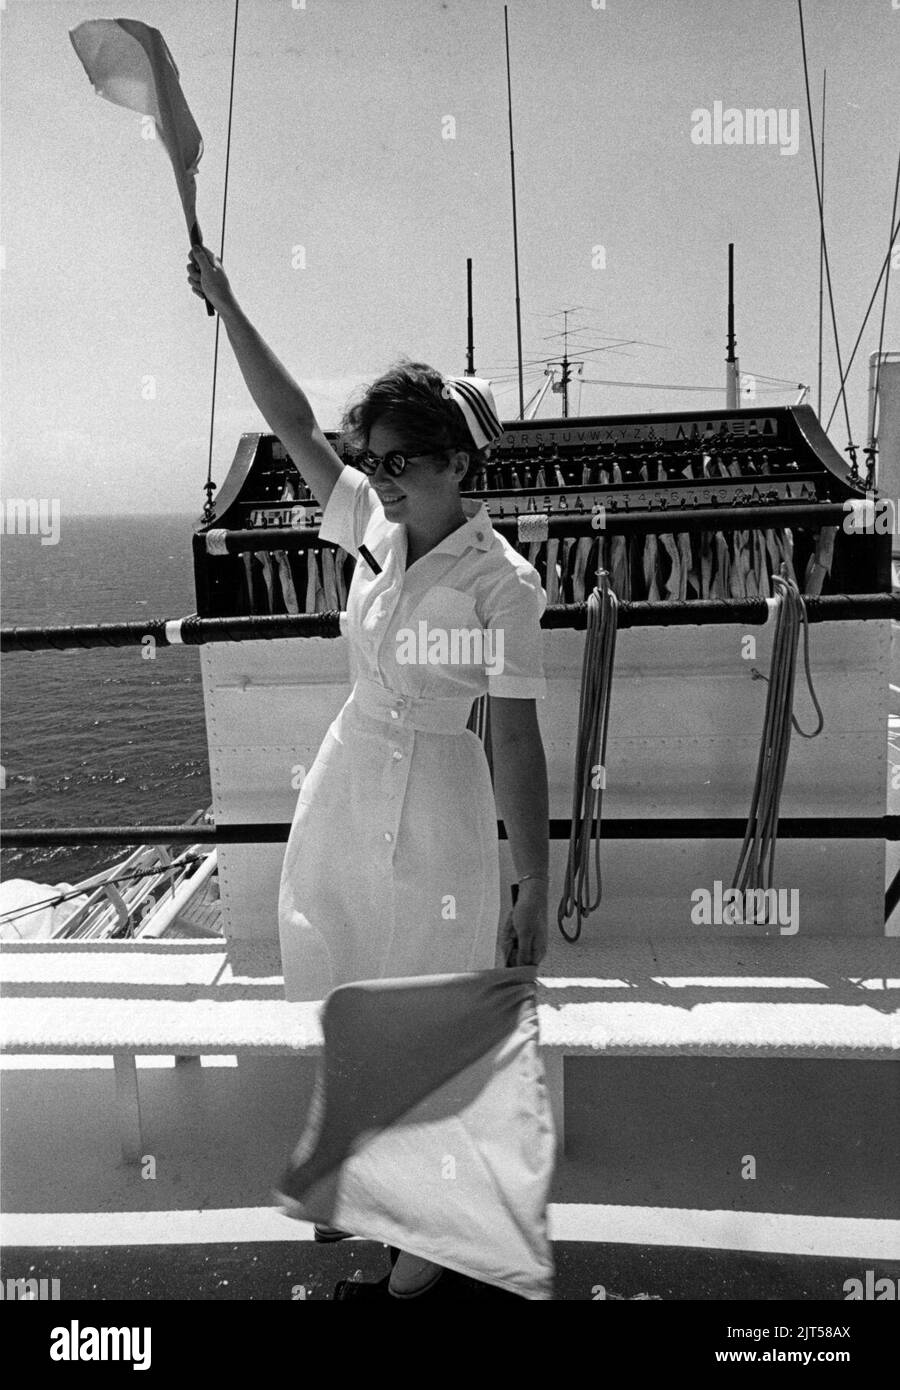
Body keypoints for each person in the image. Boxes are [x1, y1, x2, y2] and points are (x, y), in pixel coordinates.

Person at [188, 244, 550, 1298]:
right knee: (347, 1004)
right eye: (376, 458)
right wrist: (228, 301)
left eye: (400, 460)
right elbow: (294, 421)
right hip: (347, 797)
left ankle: (417, 1270)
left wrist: (533, 877)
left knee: (426, 1037)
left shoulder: (504, 584)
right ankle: (369, 1204)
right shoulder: (375, 537)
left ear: (456, 463)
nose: (379, 475)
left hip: (439, 808)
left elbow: (517, 737)